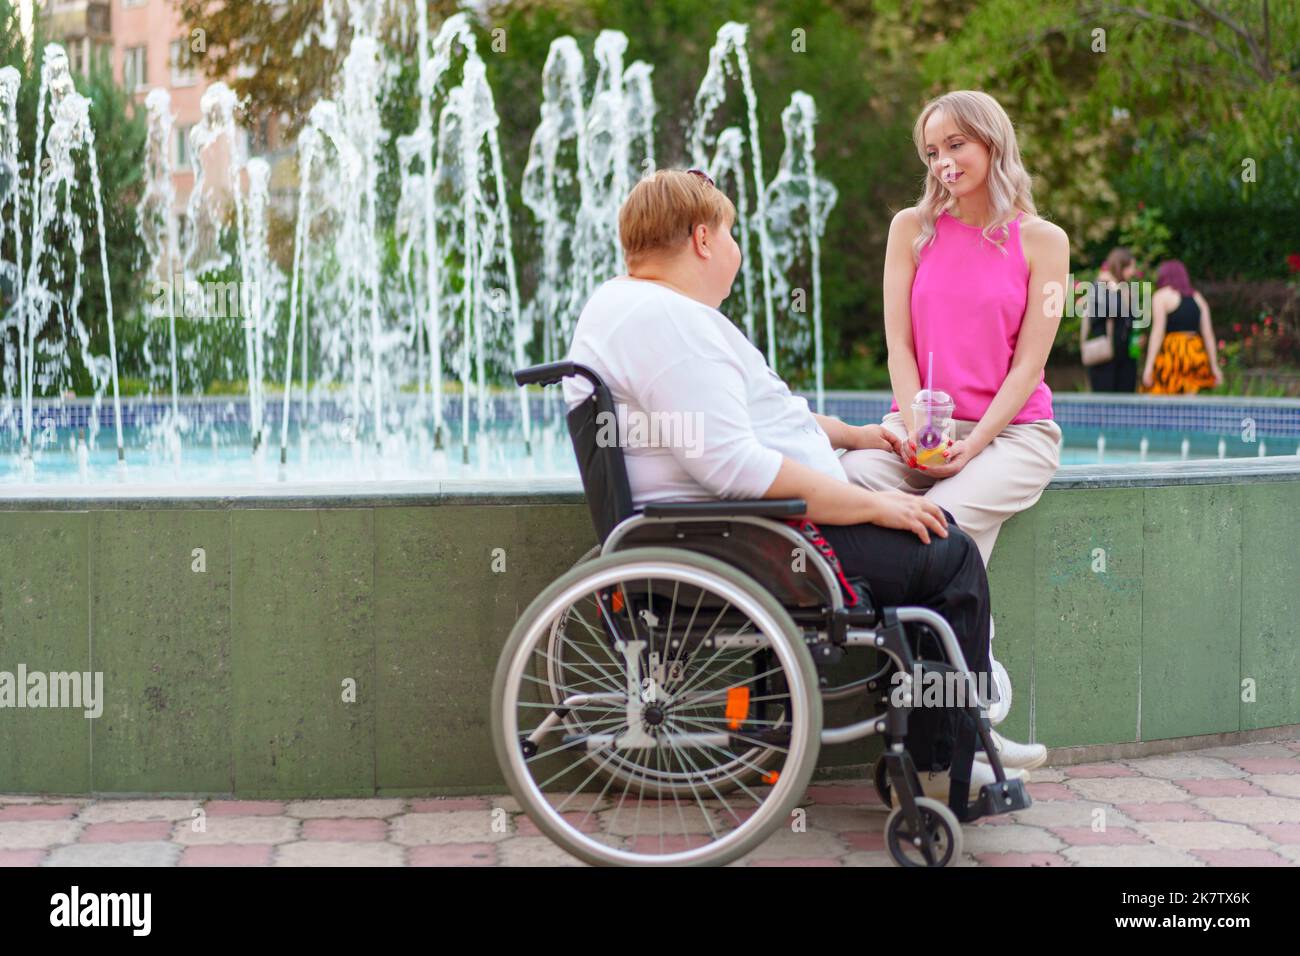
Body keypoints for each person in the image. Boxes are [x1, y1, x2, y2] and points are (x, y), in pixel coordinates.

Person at [562, 168, 1029, 811]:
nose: (736, 250)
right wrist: (877, 504)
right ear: (702, 238)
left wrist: (854, 436)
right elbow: (735, 467)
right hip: (756, 541)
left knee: (923, 538)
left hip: (727, 535)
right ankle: (937, 768)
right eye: (730, 234)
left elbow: (753, 419)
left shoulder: (633, 306)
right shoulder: (671, 325)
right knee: (947, 553)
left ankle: (921, 747)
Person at [836, 91, 1067, 772]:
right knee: (846, 484)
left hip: (1014, 435)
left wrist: (973, 444)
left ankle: (965, 710)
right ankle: (977, 695)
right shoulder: (911, 229)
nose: (943, 163)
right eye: (932, 152)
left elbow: (1030, 363)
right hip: (920, 432)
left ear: (992, 142)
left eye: (956, 146)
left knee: (938, 529)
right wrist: (914, 430)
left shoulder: (1043, 241)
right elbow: (898, 348)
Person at [1140, 259, 1223, 394]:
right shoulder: (1198, 298)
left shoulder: (1161, 297)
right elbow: (1208, 334)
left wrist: (1149, 367)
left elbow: (1157, 332)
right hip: (1195, 352)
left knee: (1160, 398)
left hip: (1173, 353)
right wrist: (1214, 366)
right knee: (1188, 401)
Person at [1082, 247, 1139, 393]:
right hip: (1105, 360)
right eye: (1130, 267)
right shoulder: (1100, 286)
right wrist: (1115, 290)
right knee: (1105, 407)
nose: (1133, 272)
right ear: (1120, 266)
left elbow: (1132, 317)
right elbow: (1114, 309)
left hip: (1125, 358)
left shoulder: (1124, 288)